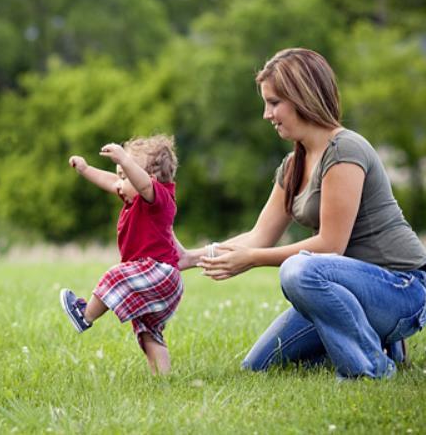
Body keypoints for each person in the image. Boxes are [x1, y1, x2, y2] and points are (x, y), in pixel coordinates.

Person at [180, 48, 426, 379]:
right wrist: (190, 258)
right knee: (259, 366)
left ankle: (371, 369)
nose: (267, 114)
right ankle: (381, 344)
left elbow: (330, 246)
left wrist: (253, 259)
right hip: (346, 294)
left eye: (274, 102)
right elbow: (259, 236)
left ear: (302, 97)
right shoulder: (293, 165)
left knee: (299, 271)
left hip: (401, 287)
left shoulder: (345, 149)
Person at [60, 135, 183, 375]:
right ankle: (163, 377)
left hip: (158, 272)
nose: (119, 184)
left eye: (125, 177)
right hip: (161, 278)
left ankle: (84, 315)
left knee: (115, 275)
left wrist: (125, 160)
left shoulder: (159, 198)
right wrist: (86, 169)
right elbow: (111, 182)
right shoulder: (136, 197)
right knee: (148, 331)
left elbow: (144, 185)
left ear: (150, 177)